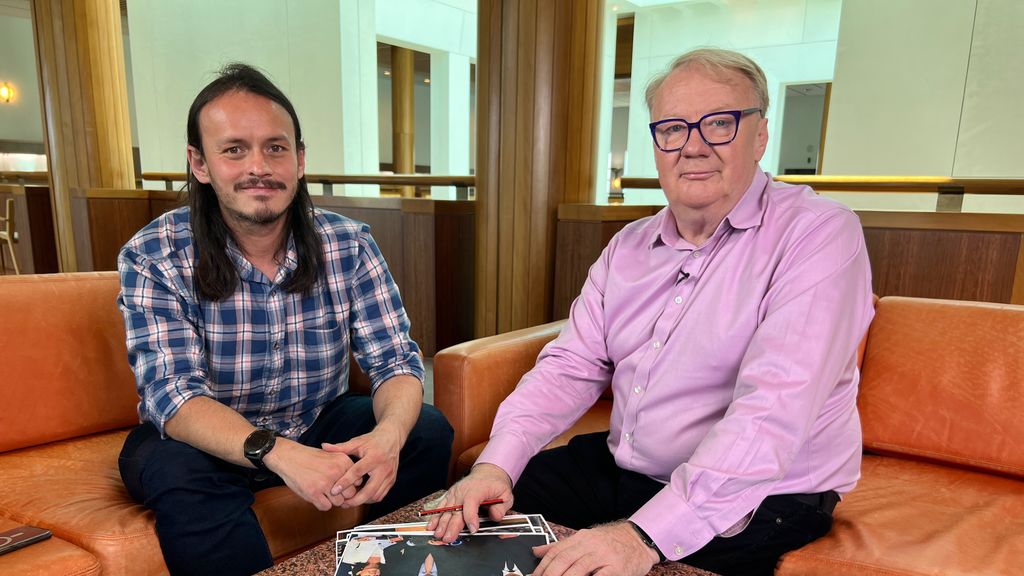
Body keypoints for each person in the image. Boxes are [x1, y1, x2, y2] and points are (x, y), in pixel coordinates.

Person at [429, 48, 874, 576]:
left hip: (765, 494)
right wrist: (494, 465)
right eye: (673, 129)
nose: (693, 147)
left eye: (719, 124)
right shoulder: (629, 246)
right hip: (633, 469)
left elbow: (772, 413)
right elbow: (570, 366)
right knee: (488, 515)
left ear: (760, 136)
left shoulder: (819, 233)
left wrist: (642, 536)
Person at [117, 63, 453, 576]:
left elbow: (397, 363)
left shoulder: (348, 244)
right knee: (176, 470)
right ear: (200, 163)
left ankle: (387, 566)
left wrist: (388, 437)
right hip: (208, 442)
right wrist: (278, 453)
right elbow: (174, 397)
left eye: (276, 147)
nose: (259, 166)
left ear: (299, 160)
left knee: (424, 430)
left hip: (312, 419)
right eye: (234, 149)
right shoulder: (155, 253)